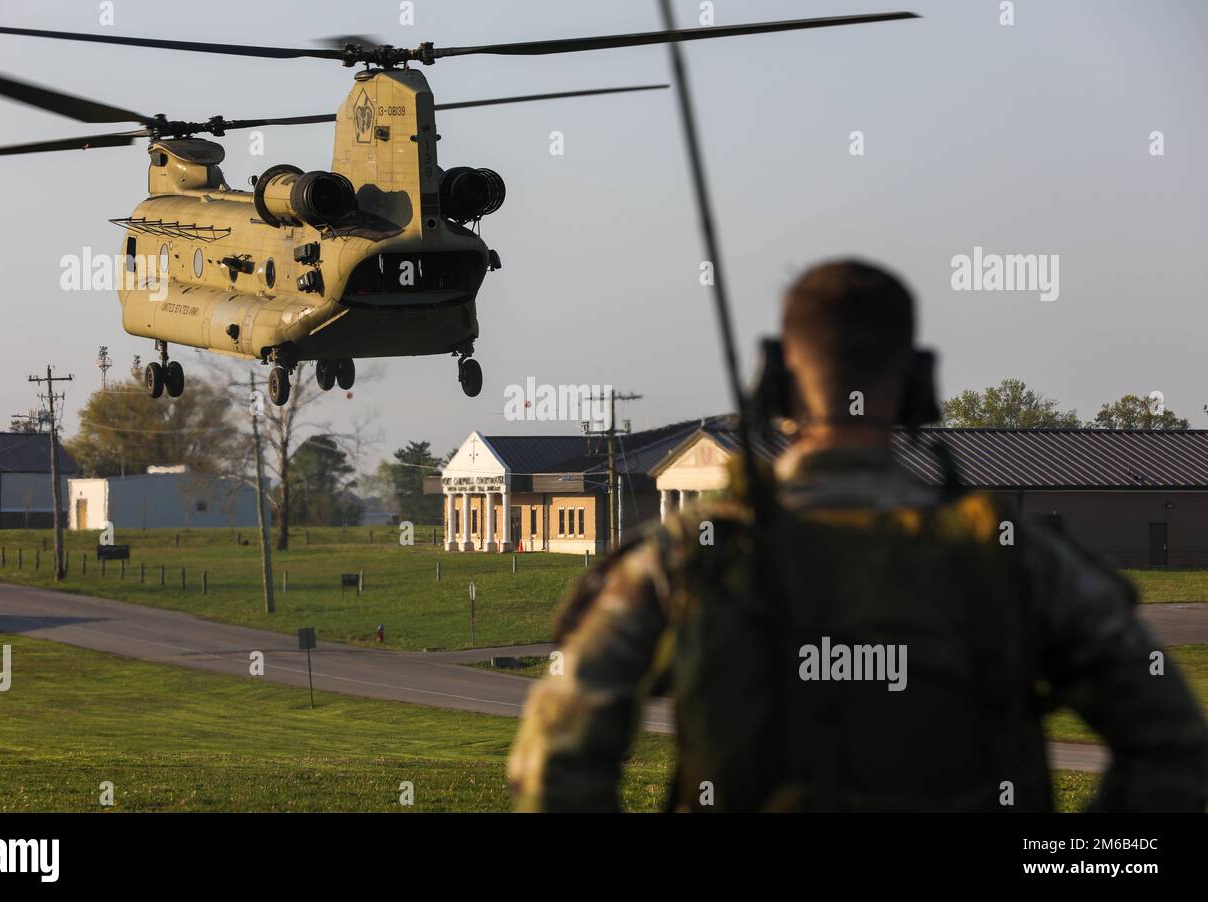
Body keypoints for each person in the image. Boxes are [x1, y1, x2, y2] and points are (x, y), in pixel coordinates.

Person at [507, 259, 1208, 812]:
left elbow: (556, 759)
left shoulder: (685, 558)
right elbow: (1174, 746)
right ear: (918, 384)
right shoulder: (1016, 561)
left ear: (778, 381)